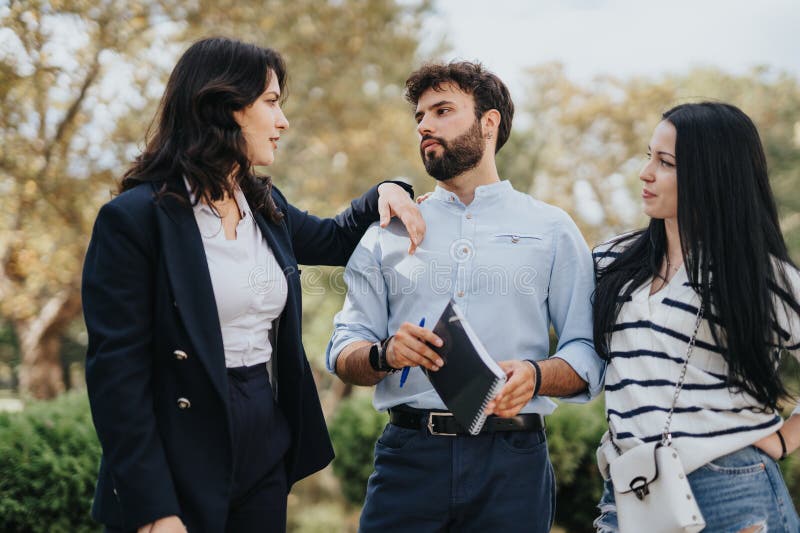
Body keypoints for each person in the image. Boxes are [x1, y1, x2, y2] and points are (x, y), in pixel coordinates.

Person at [81, 36, 425, 533]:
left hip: (263, 435)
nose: (282, 121)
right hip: (179, 444)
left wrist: (385, 192)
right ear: (224, 107)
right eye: (271, 102)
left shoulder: (264, 204)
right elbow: (116, 377)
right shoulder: (134, 220)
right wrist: (152, 508)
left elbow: (332, 240)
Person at [326, 61, 605, 532]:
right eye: (420, 116)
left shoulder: (552, 229)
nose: (425, 126)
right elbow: (342, 350)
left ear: (489, 123)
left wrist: (535, 376)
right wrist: (385, 353)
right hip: (408, 461)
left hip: (512, 465)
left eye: (442, 110)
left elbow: (588, 352)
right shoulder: (389, 231)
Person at [593, 102, 800, 532]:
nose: (644, 173)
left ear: (713, 175)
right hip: (632, 491)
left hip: (729, 489)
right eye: (649, 155)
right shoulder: (611, 261)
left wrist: (786, 437)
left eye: (665, 162)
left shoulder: (758, 275)